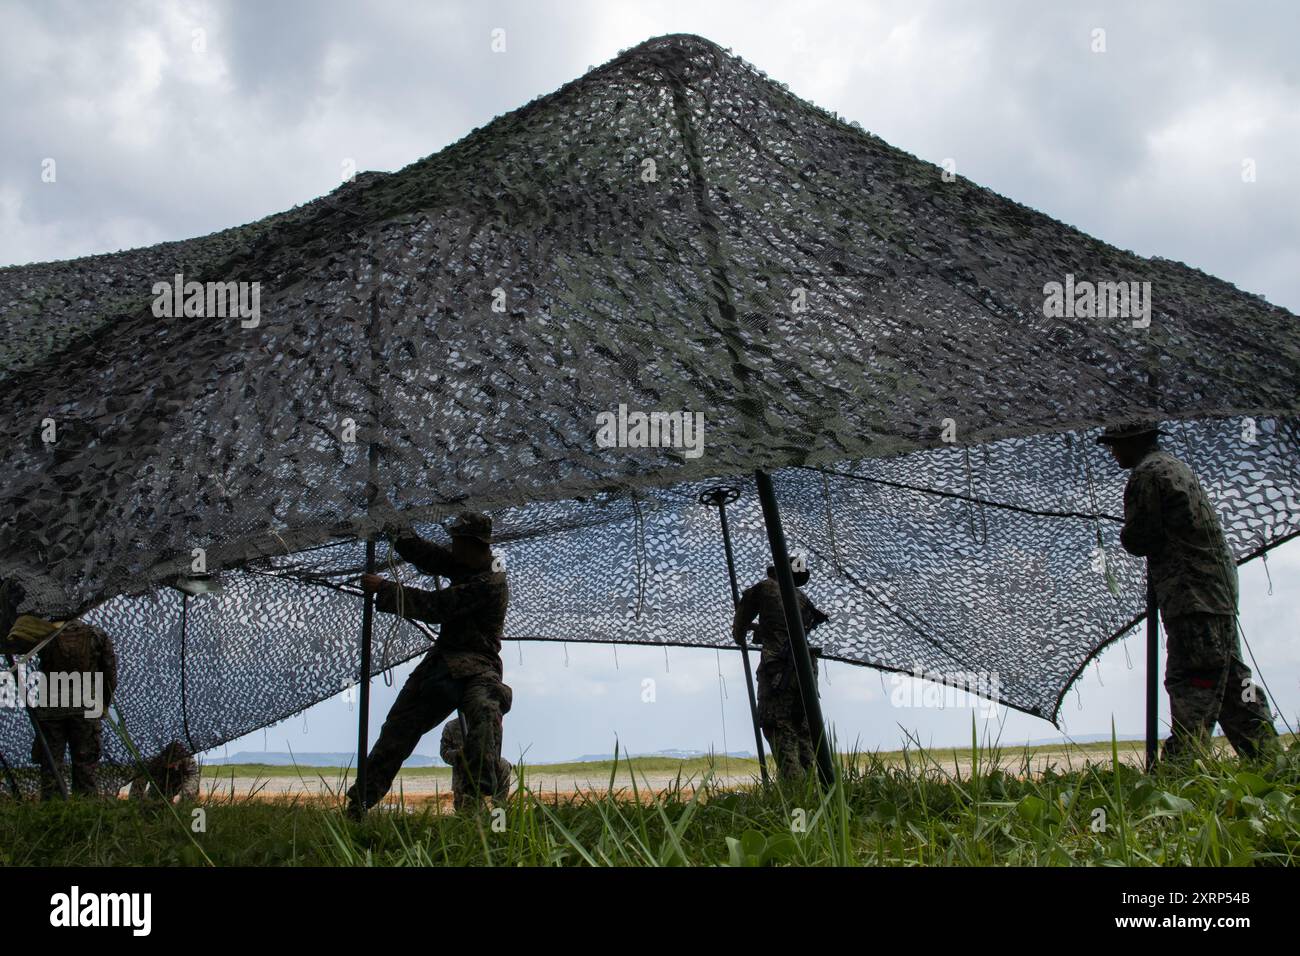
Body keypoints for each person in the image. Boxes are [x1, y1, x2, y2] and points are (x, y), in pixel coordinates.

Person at [1101, 421, 1278, 763]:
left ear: (1133, 443)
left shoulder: (1147, 475)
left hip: (1191, 597)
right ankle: (1269, 761)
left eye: (1116, 444)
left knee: (1193, 683)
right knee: (1231, 685)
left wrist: (1125, 535)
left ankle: (1175, 777)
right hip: (1214, 594)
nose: (1113, 452)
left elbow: (1141, 537)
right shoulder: (1175, 468)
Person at [346, 512, 511, 815]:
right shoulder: (463, 562)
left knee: (486, 712)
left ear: (474, 544)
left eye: (457, 542)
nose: (452, 548)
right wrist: (389, 519)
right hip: (443, 663)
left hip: (478, 666)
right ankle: (360, 804)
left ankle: (484, 799)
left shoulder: (491, 580)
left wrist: (385, 589)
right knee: (398, 730)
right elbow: (424, 553)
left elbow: (437, 607)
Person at [733, 557, 829, 781]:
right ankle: (817, 788)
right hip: (804, 669)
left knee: (778, 727)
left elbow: (741, 622)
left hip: (778, 672)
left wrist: (741, 635)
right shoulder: (802, 599)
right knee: (804, 731)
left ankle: (795, 794)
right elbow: (783, 630)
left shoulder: (766, 588)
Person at [439, 716, 511, 811]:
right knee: (469, 817)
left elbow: (496, 751)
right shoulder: (451, 726)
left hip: (488, 776)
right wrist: (461, 754)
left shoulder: (490, 724)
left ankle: (499, 817)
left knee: (504, 765)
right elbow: (445, 753)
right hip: (464, 782)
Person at [128, 740, 200, 803]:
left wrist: (181, 796)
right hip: (157, 791)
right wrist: (135, 804)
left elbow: (193, 780)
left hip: (181, 792)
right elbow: (138, 782)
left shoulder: (188, 761)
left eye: (174, 762)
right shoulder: (152, 761)